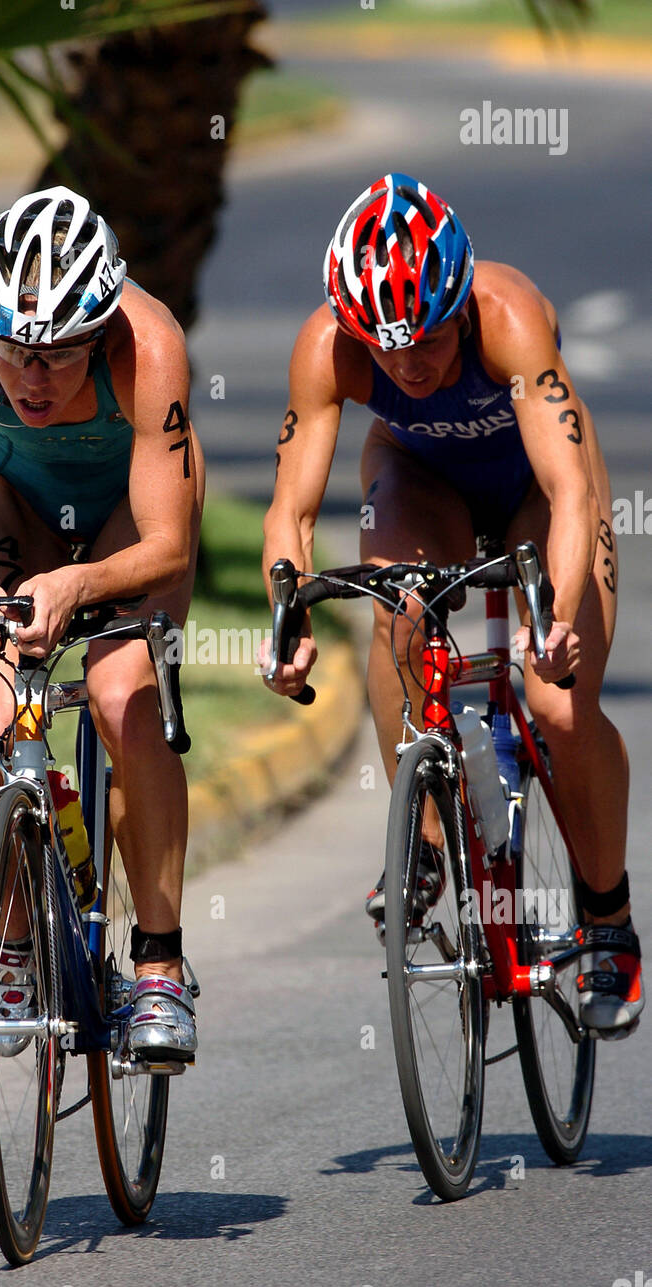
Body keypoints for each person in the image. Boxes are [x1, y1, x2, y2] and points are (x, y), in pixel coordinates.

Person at [262, 170, 642, 1038]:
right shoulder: (327, 347)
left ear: (460, 306)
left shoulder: (510, 315)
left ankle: (609, 915)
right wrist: (290, 621)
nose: (408, 364)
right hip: (420, 479)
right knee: (397, 614)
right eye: (384, 347)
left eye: (426, 339)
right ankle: (427, 839)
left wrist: (555, 622)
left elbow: (571, 492)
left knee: (556, 700)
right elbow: (290, 509)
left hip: (537, 492)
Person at [0, 186, 203, 1060]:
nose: (32, 378)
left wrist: (76, 584)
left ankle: (160, 967)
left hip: (121, 528)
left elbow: (169, 543)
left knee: (120, 696)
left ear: (100, 332)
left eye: (61, 356)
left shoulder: (150, 348)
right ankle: (19, 930)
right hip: (11, 505)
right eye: (15, 354)